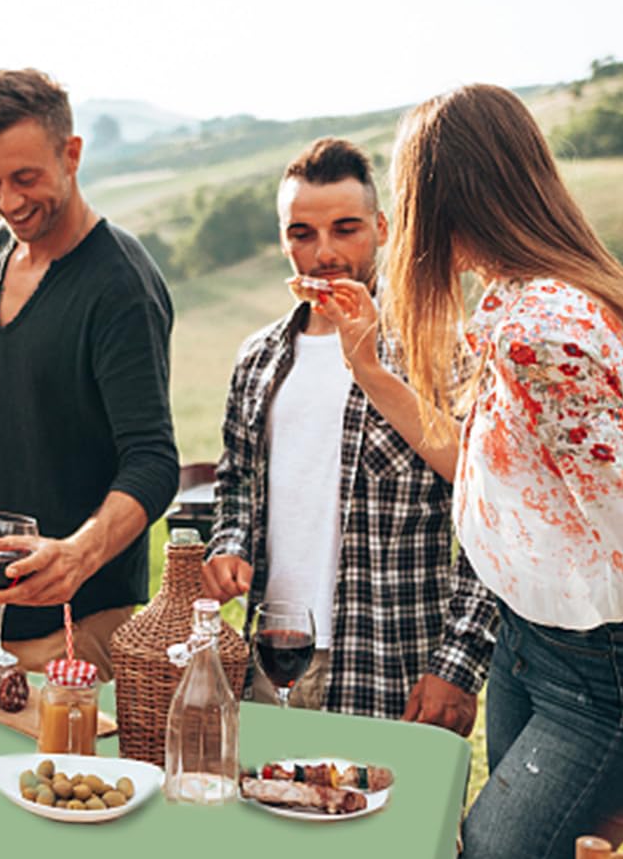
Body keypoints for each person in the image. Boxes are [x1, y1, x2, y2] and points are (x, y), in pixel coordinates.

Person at [382, 84, 623, 859]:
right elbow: (503, 479)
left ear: (440, 199)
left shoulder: (545, 334)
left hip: (605, 683)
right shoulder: (533, 306)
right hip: (531, 649)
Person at [202, 138, 496, 724]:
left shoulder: (439, 349)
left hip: (397, 666)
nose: (324, 253)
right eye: (302, 234)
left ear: (382, 228)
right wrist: (230, 546)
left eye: (346, 229)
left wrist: (458, 663)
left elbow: (492, 512)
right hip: (273, 658)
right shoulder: (258, 359)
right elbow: (235, 483)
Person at [0, 68, 178, 674]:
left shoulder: (121, 286)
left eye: (26, 178)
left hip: (68, 627)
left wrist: (78, 554)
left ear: (71, 154)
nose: (9, 199)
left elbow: (154, 461)